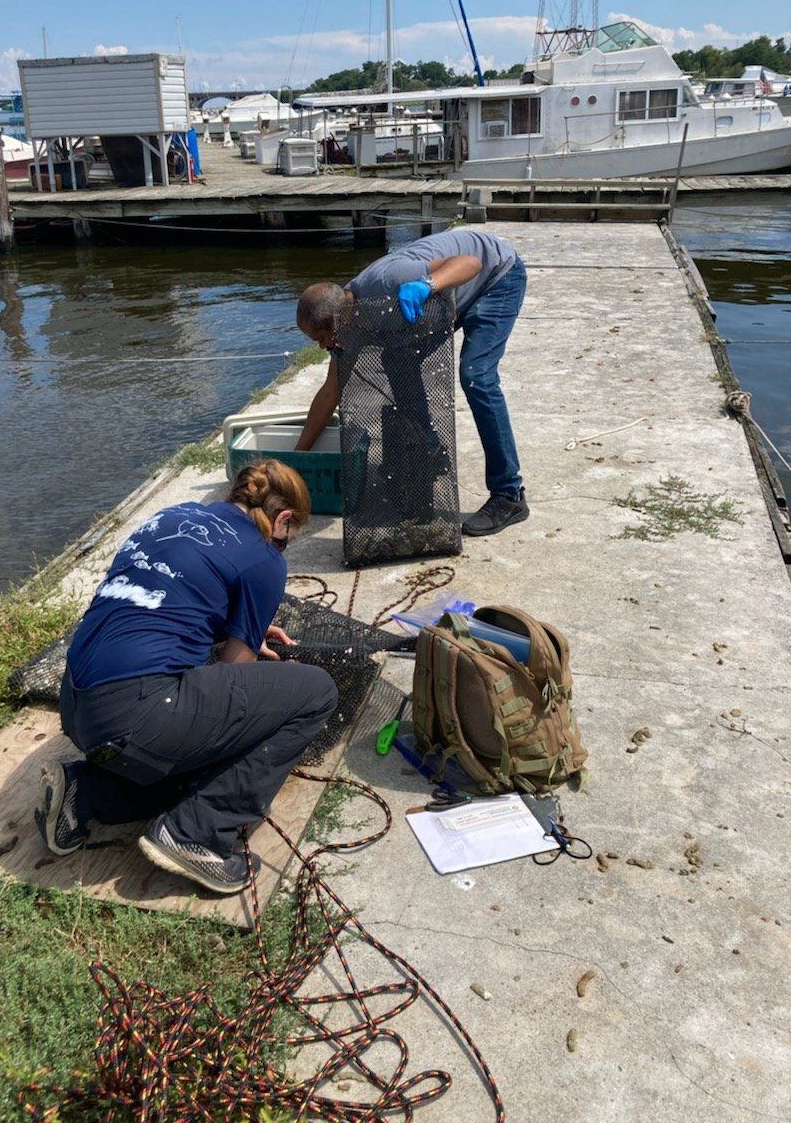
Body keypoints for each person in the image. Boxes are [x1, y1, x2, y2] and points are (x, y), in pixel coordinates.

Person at [37, 460, 337, 895]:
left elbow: (166, 600)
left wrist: (236, 630)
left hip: (78, 703)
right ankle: (196, 834)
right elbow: (234, 674)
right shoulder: (265, 558)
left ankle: (85, 794)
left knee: (188, 754)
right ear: (284, 520)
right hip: (137, 712)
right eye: (291, 533)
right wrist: (266, 683)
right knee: (314, 693)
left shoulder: (173, 515)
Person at [295, 228, 528, 537]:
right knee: (397, 359)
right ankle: (430, 447)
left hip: (495, 275)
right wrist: (296, 461)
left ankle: (509, 494)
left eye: (322, 337)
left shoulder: (388, 281)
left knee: (477, 376)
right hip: (454, 296)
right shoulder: (350, 324)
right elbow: (330, 393)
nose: (323, 346)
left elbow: (470, 263)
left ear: (340, 320)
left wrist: (425, 285)